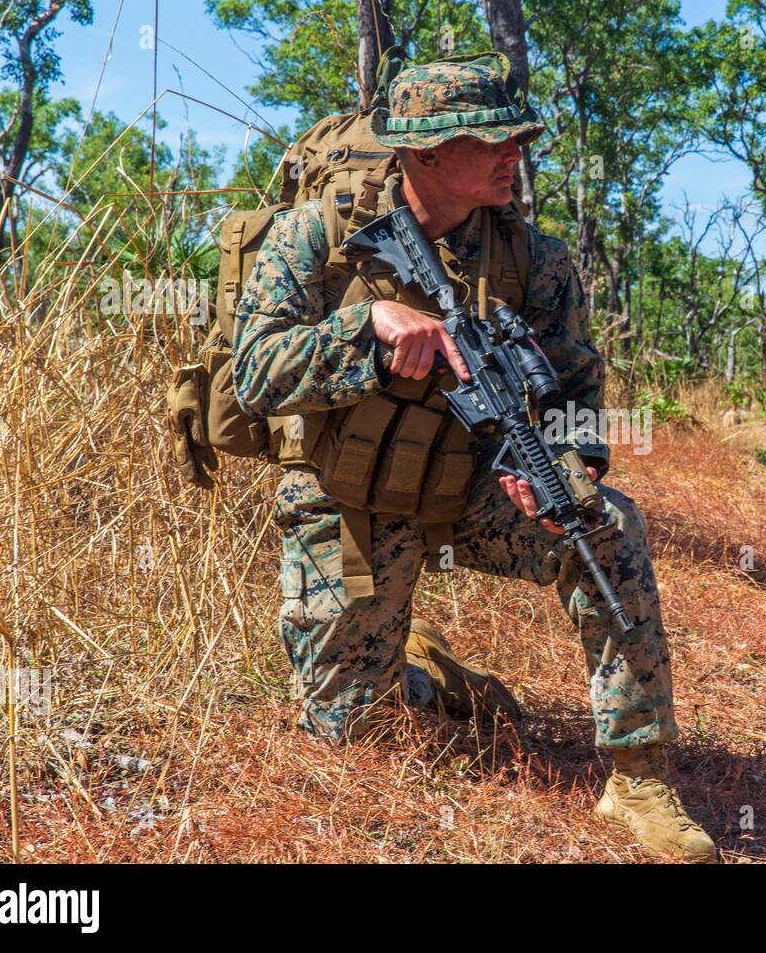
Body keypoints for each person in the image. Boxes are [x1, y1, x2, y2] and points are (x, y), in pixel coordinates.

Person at [231, 54, 715, 862]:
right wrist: (368, 328)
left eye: (518, 138)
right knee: (350, 737)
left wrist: (563, 465)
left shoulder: (535, 262)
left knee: (605, 527)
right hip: (350, 498)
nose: (512, 154)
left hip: (471, 491)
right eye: (488, 140)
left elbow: (575, 386)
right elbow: (253, 373)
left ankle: (638, 778)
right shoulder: (321, 234)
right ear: (423, 155)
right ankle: (424, 676)